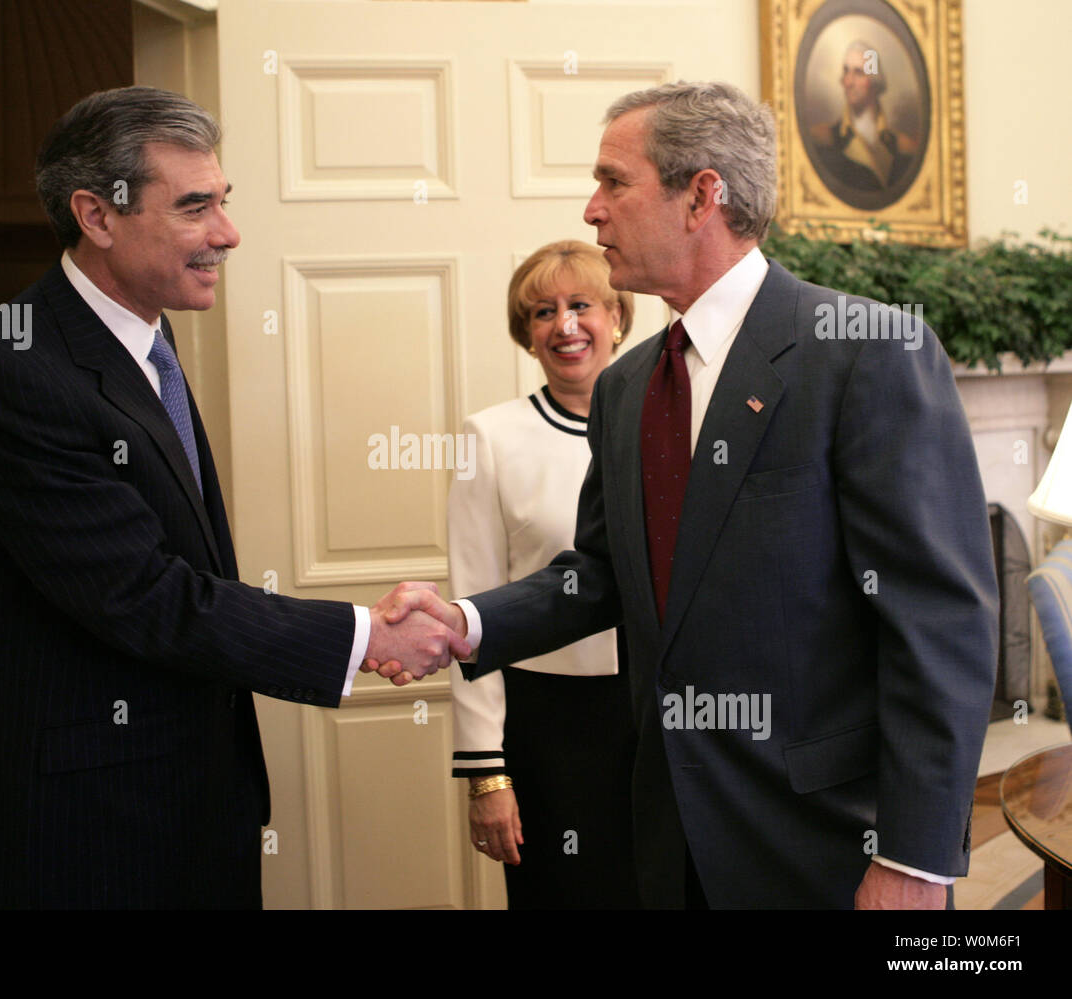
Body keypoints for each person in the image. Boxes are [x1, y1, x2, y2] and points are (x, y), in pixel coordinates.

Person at [383, 81, 997, 909]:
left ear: (701, 194)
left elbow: (941, 621)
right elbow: (599, 573)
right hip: (667, 838)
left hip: (826, 847)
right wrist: (469, 624)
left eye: (613, 181)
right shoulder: (627, 387)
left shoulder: (863, 354)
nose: (592, 211)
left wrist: (918, 858)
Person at [0, 86, 467, 909]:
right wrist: (363, 633)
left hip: (190, 793)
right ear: (96, 216)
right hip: (88, 825)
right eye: (194, 206)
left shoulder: (144, 333)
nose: (228, 232)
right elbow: (141, 593)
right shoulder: (9, 369)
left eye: (225, 200)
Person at [448, 241, 639, 908]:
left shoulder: (673, 423)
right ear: (524, 333)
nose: (564, 325)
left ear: (617, 315)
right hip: (552, 729)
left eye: (581, 304)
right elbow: (473, 610)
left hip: (667, 717)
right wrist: (486, 774)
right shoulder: (491, 437)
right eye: (541, 312)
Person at [809, 41, 917, 195]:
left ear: (874, 82)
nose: (848, 82)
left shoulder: (902, 146)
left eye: (858, 73)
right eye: (846, 71)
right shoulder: (824, 139)